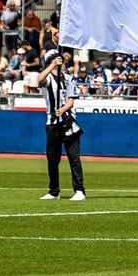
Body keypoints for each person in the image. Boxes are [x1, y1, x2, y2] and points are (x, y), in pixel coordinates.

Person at [37, 48, 85, 201]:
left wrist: (63, 109)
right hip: (52, 122)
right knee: (52, 158)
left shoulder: (69, 78)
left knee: (74, 157)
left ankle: (79, 190)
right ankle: (54, 191)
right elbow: (39, 79)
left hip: (68, 121)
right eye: (55, 59)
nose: (60, 61)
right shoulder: (48, 78)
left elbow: (71, 99)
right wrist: (51, 66)